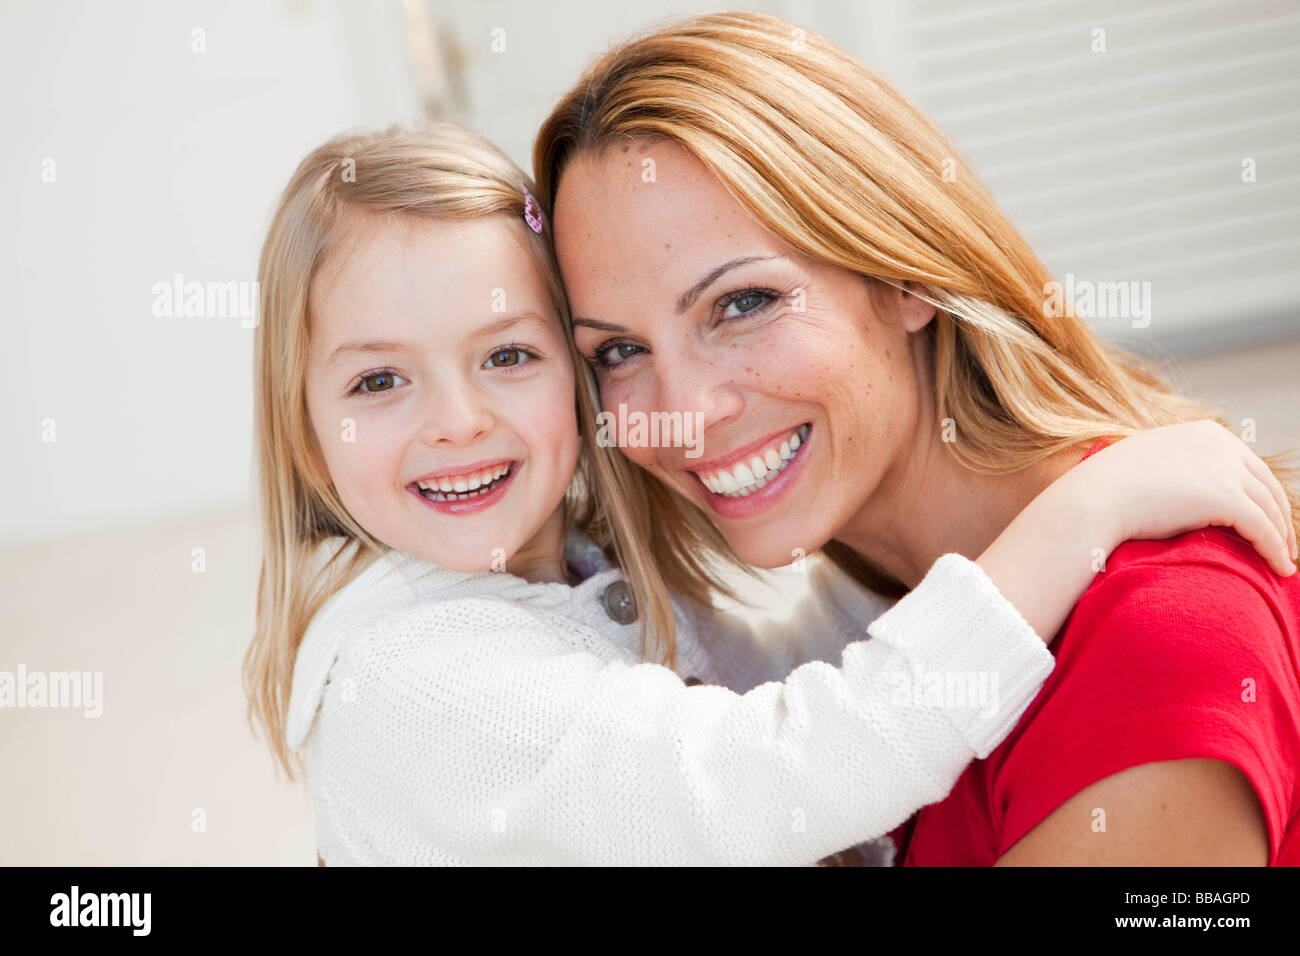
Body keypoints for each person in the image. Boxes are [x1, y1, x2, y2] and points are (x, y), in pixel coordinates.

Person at [535, 10, 1300, 864]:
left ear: (905, 274)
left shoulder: (1159, 630)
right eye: (619, 351)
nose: (686, 409)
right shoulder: (877, 656)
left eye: (743, 303)